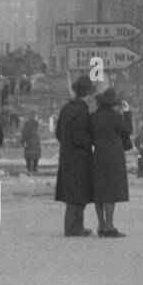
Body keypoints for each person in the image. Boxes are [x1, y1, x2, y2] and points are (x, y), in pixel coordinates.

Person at [54, 76, 95, 237]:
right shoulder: (82, 111)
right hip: (79, 157)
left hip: (66, 155)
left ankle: (75, 226)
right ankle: (74, 227)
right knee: (78, 193)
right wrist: (92, 140)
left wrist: (66, 144)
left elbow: (58, 133)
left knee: (71, 192)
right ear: (87, 95)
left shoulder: (66, 108)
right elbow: (80, 137)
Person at [91, 88, 133, 237]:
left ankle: (101, 225)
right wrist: (127, 113)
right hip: (114, 157)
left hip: (98, 156)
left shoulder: (93, 117)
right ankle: (110, 227)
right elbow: (128, 130)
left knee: (100, 192)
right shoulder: (115, 117)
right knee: (111, 192)